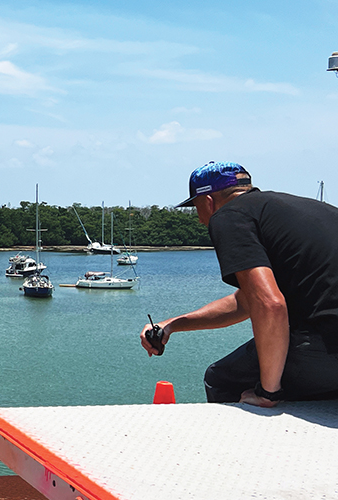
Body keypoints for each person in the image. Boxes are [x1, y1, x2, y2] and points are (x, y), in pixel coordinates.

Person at [140, 161, 338, 407]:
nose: (201, 220)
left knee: (222, 378)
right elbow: (245, 302)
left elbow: (270, 305)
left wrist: (268, 393)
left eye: (195, 207)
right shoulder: (312, 210)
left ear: (208, 201)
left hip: (327, 347)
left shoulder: (229, 215)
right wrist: (171, 325)